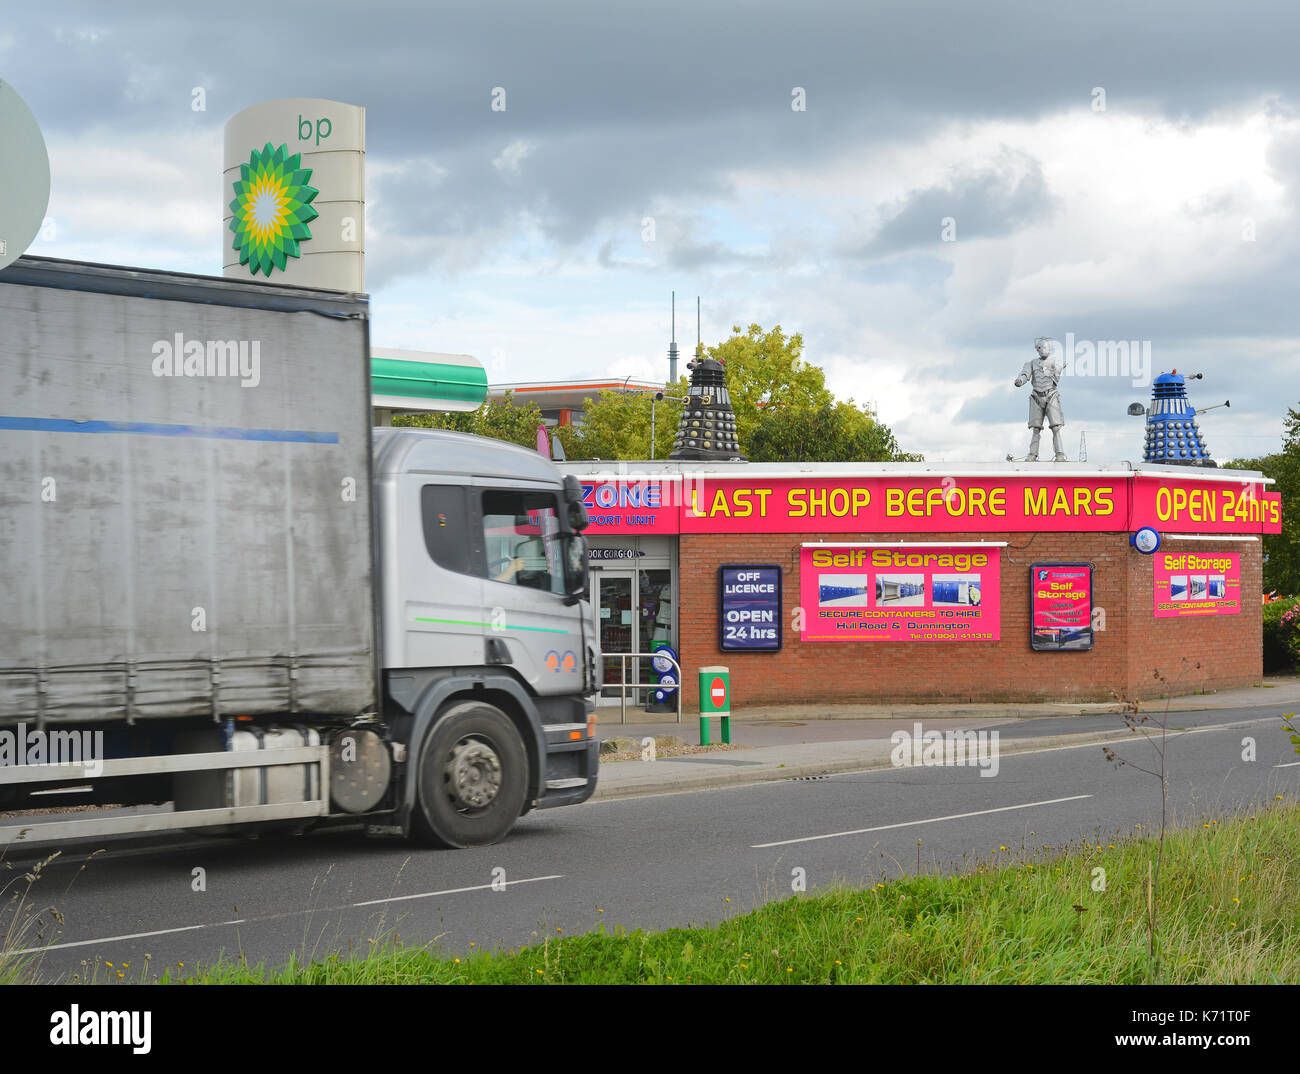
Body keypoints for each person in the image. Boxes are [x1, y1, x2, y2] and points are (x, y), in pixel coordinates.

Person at [1014, 337, 1066, 461]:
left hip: (1051, 395)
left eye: (1045, 347)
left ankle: (1059, 453)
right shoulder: (1031, 363)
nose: (1043, 350)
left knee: (1056, 427)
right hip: (1036, 396)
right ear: (1037, 349)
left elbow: (1058, 371)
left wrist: (1060, 367)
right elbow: (1025, 374)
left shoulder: (1055, 362)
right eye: (1041, 348)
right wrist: (1020, 380)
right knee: (1035, 428)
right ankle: (1032, 453)